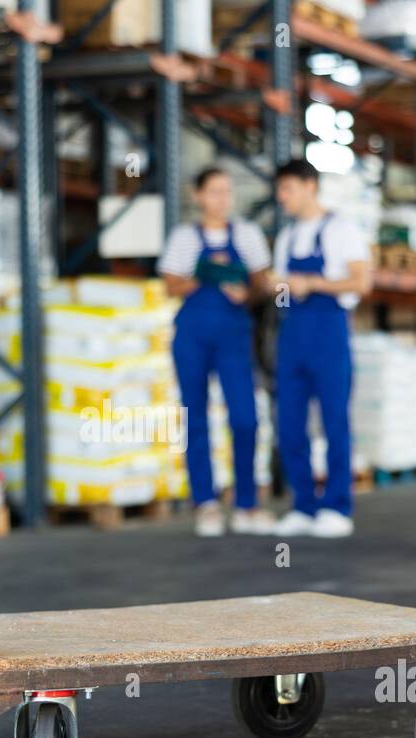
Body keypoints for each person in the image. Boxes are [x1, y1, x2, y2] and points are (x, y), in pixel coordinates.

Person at [158, 167, 275, 537]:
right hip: (192, 333)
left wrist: (246, 293)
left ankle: (246, 503)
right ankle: (206, 503)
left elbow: (264, 283)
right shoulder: (183, 238)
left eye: (227, 191)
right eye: (214, 192)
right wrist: (203, 276)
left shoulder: (248, 235)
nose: (222, 199)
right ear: (198, 195)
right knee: (195, 418)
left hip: (233, 334)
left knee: (244, 417)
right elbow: (170, 285)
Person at [267, 159, 372, 538]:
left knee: (334, 421)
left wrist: (311, 283)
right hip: (292, 336)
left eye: (287, 189)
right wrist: (277, 288)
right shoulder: (286, 238)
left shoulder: (342, 230)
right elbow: (282, 294)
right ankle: (303, 505)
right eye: (280, 190)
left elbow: (361, 282)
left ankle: (337, 506)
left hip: (328, 335)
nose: (282, 197)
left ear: (310, 186)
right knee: (290, 424)